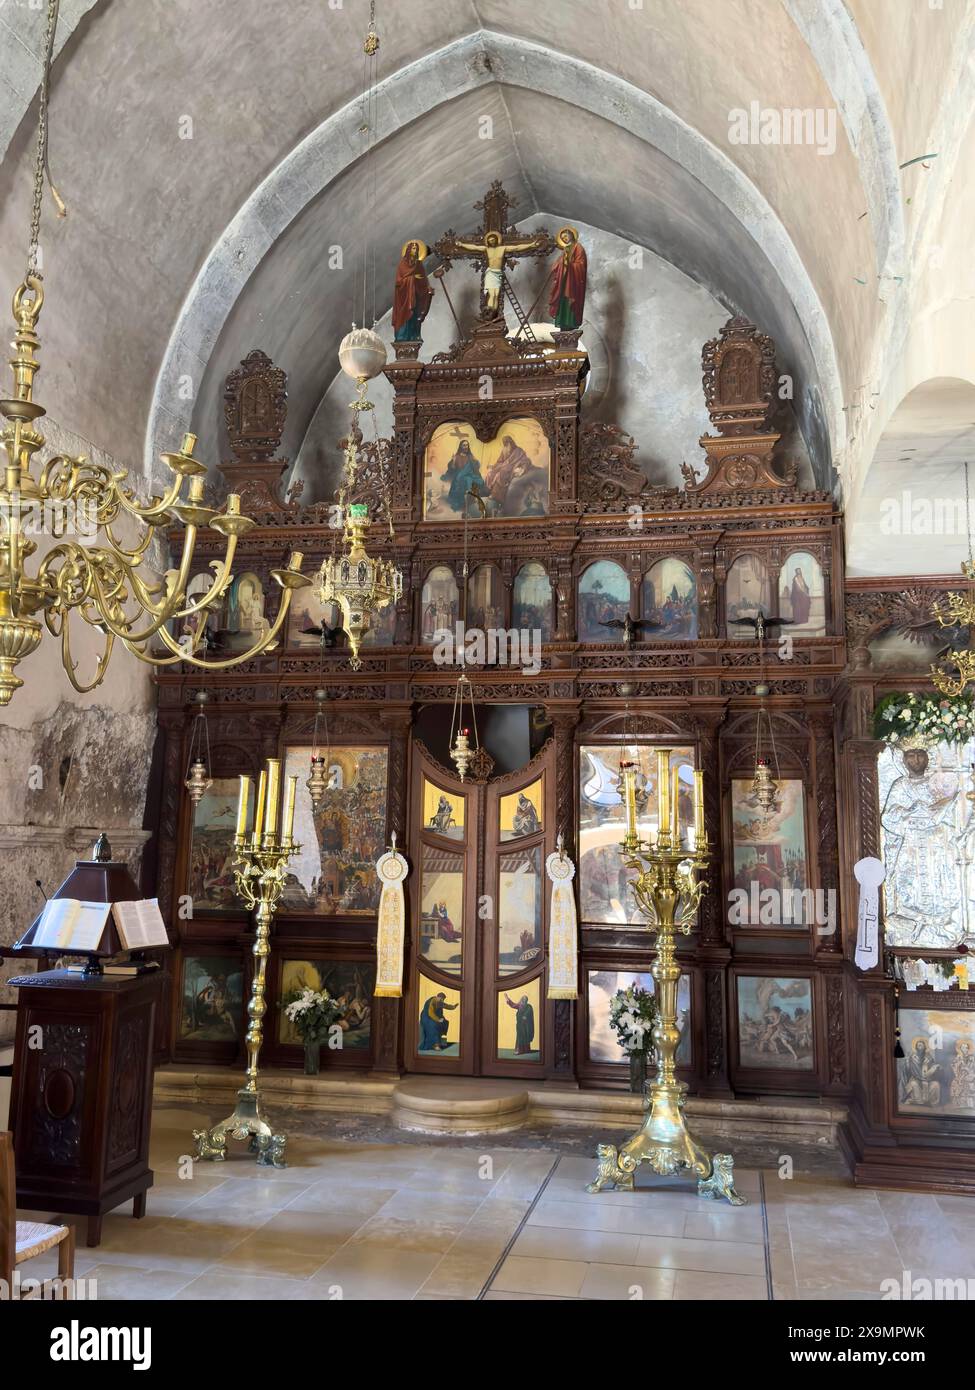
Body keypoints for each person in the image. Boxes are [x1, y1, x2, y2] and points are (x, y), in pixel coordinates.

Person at [392, 239, 434, 341]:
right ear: (409, 249)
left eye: (417, 248)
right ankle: (402, 337)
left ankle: (413, 336)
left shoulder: (419, 265)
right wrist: (413, 278)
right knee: (404, 318)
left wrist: (427, 289)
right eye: (414, 248)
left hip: (415, 298)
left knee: (414, 318)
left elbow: (423, 281)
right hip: (403, 299)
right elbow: (398, 282)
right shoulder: (402, 264)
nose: (415, 250)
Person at [548, 225, 588, 331]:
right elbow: (558, 264)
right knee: (562, 302)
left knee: (570, 302)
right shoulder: (565, 249)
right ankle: (562, 322)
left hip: (573, 283)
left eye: (566, 236)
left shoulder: (578, 247)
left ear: (571, 235)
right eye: (563, 238)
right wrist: (559, 265)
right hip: (563, 282)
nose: (565, 239)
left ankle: (570, 322)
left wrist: (570, 265)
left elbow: (581, 264)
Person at [441, 437, 485, 514]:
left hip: (469, 475)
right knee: (463, 480)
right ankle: (461, 503)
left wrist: (476, 462)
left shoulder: (470, 456)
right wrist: (454, 461)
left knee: (471, 480)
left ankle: (470, 502)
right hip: (459, 476)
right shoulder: (457, 456)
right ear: (461, 446)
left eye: (467, 445)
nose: (466, 447)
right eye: (464, 445)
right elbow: (452, 468)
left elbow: (476, 466)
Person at [899, 1036, 941, 1108]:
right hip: (916, 1080)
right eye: (918, 1045)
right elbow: (907, 1070)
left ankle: (931, 1102)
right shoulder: (912, 1058)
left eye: (921, 1045)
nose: (920, 1047)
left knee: (936, 1084)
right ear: (916, 1047)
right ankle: (918, 1101)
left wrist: (936, 1067)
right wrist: (906, 1062)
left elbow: (933, 1067)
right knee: (913, 1084)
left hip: (927, 1080)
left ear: (925, 1046)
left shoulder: (929, 1058)